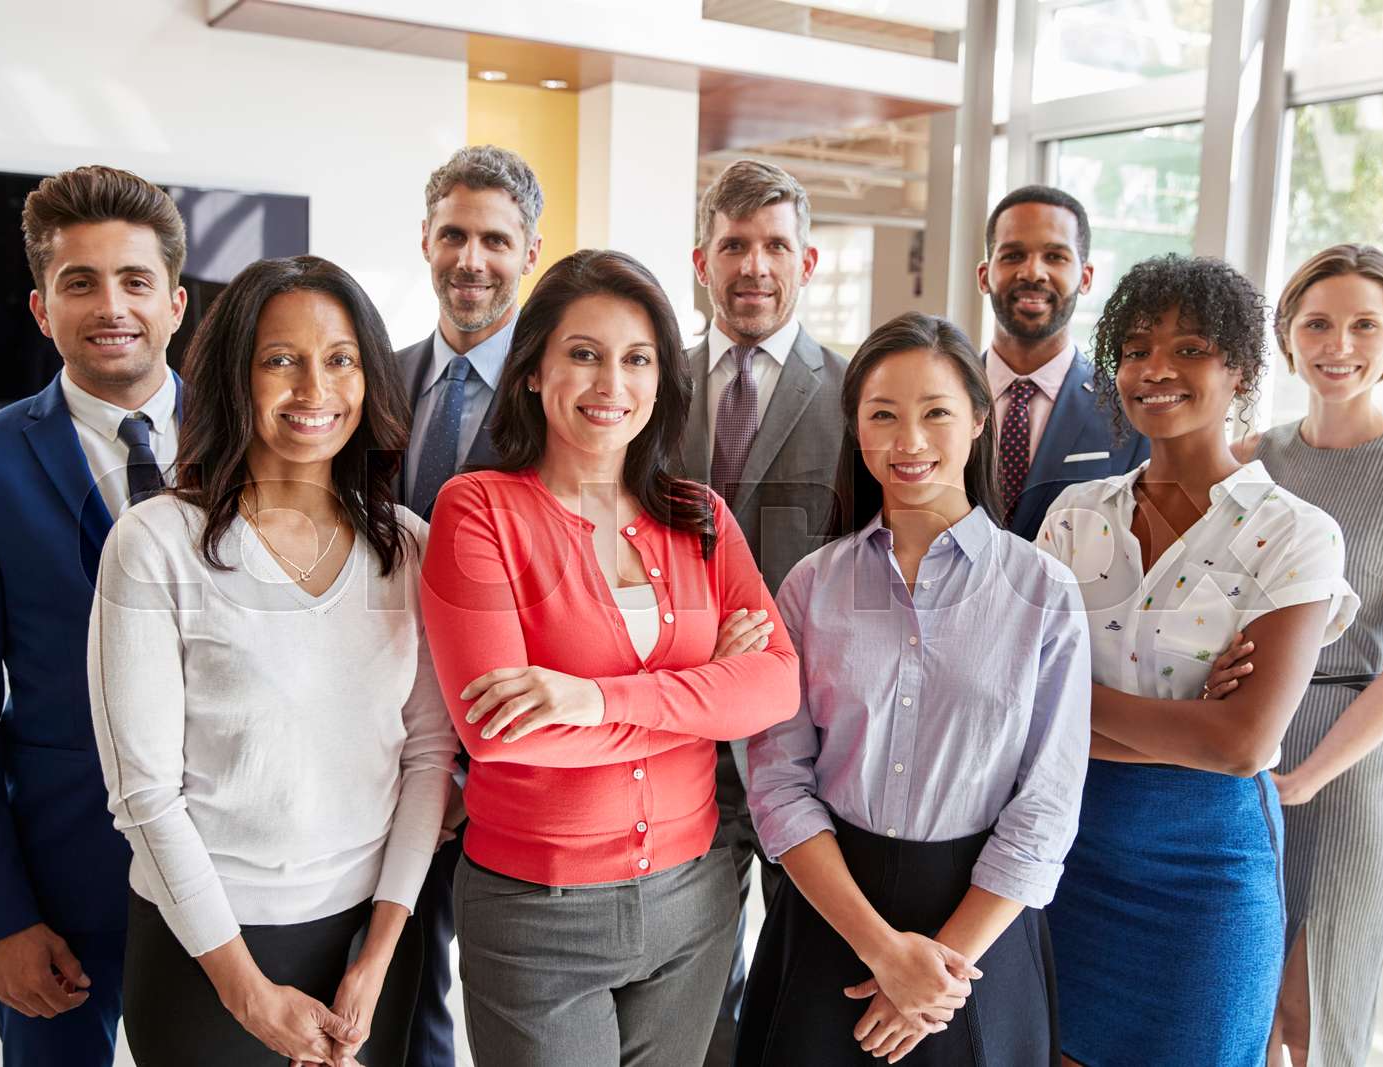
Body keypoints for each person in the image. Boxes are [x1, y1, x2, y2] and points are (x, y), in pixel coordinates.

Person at [421, 248, 801, 1066]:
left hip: (692, 905)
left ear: (662, 380)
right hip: (536, 916)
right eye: (583, 354)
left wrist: (592, 700)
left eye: (637, 360)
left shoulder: (700, 517)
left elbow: (775, 685)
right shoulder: (479, 510)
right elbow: (499, 734)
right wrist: (704, 694)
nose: (611, 384)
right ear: (532, 370)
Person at [88, 255, 459, 1066]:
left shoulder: (408, 546)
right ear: (234, 377)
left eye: (340, 360)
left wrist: (376, 955)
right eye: (280, 360)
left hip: (368, 946)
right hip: (205, 950)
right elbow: (143, 794)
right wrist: (247, 993)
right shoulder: (155, 544)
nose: (313, 389)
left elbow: (429, 756)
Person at [736, 312, 1091, 1066]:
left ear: (978, 419)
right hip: (830, 919)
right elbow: (776, 780)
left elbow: (1048, 805)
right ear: (855, 425)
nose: (909, 441)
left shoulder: (1044, 591)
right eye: (882, 414)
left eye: (936, 412)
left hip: (979, 936)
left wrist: (937, 970)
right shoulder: (811, 586)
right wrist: (882, 952)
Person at [1037, 254, 1360, 1066]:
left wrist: (1068, 705)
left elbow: (1242, 746)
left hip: (1206, 872)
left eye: (1189, 349)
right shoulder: (1075, 516)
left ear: (1241, 368)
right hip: (1063, 852)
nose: (1155, 370)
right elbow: (1017, 709)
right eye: (1138, 348)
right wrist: (1184, 724)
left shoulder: (1296, 532)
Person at [0, 164, 188, 1067]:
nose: (112, 305)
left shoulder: (260, 444)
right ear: (40, 308)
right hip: (62, 877)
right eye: (80, 282)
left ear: (175, 302)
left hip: (249, 867)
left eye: (135, 280)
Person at [1237, 244, 1383, 1067]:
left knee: (1313, 1018)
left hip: (1346, 770)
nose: (1340, 344)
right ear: (1288, 338)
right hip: (1239, 752)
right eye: (1319, 323)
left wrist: (1303, 780)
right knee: (1245, 1009)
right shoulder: (1247, 460)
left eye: (1364, 324)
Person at [681, 159, 848, 1065]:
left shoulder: (858, 392)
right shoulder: (649, 382)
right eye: (734, 244)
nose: (753, 265)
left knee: (806, 981)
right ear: (700, 257)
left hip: (806, 743)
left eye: (774, 244)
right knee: (693, 981)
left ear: (808, 259)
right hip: (676, 746)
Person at [394, 143, 544, 1067]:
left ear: (531, 251)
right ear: (424, 240)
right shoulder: (374, 376)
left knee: (508, 1010)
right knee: (402, 998)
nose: (471, 259)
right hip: (381, 754)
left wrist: (464, 769)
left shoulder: (563, 391)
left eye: (495, 238)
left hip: (509, 759)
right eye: (454, 234)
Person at [976, 185, 1148, 540]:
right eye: (1012, 255)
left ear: (1085, 278)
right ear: (984, 275)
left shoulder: (1128, 411)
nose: (1033, 272)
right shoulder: (940, 399)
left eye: (1055, 257)